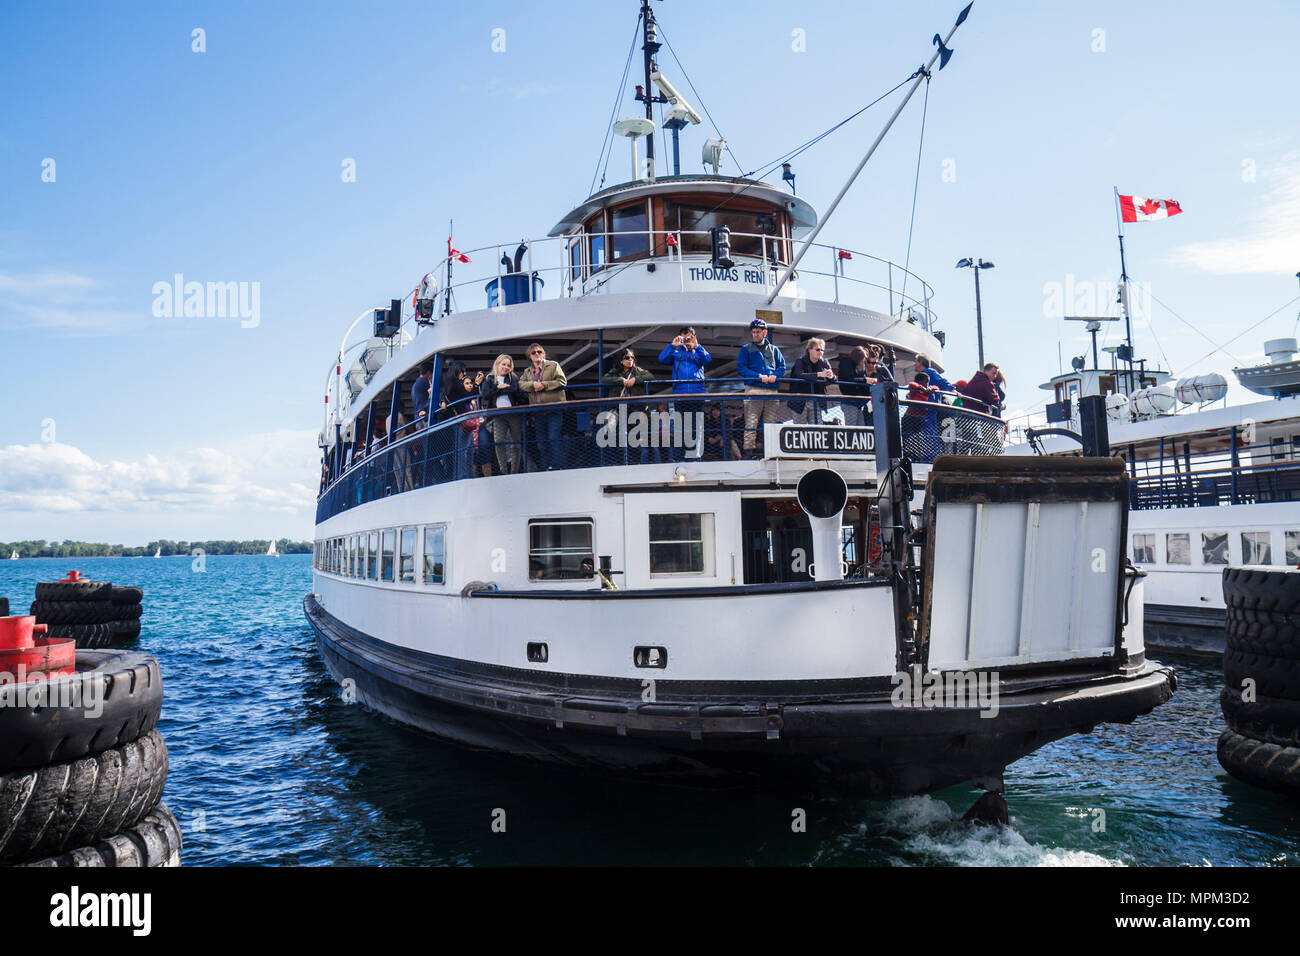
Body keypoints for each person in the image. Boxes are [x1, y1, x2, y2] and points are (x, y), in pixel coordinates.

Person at [658, 328, 711, 460]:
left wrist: (697, 346)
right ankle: (680, 456)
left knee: (695, 427)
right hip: (680, 394)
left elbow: (708, 359)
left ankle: (694, 456)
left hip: (697, 395)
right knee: (680, 427)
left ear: (694, 337)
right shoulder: (676, 352)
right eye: (684, 339)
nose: (686, 341)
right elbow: (662, 359)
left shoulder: (698, 352)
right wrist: (672, 345)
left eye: (689, 338)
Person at [737, 318, 787, 458]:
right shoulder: (746, 349)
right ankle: (748, 453)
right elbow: (741, 368)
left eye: (758, 332)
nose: (755, 335)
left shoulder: (774, 350)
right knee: (751, 422)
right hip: (754, 389)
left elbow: (782, 367)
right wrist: (759, 376)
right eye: (753, 332)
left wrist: (775, 376)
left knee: (770, 423)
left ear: (764, 332)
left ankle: (769, 452)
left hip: (771, 390)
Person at [518, 343, 567, 470]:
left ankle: (559, 466)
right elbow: (521, 384)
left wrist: (544, 385)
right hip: (538, 412)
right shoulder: (528, 371)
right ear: (529, 356)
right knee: (542, 442)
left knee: (553, 438)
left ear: (543, 353)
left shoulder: (553, 365)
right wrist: (533, 385)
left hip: (553, 409)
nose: (537, 354)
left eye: (539, 351)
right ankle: (547, 466)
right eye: (533, 352)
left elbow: (562, 381)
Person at [601, 349, 654, 464]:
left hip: (634, 409)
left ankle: (638, 463)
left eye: (631, 358)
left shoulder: (637, 371)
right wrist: (620, 380)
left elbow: (650, 376)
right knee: (610, 433)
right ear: (621, 360)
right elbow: (604, 379)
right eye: (627, 358)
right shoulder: (615, 372)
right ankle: (613, 462)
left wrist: (635, 379)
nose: (630, 360)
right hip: (618, 409)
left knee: (636, 437)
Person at [481, 354, 527, 474]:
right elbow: (485, 395)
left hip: (513, 413)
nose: (506, 367)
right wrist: (498, 388)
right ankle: (503, 470)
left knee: (515, 443)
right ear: (497, 364)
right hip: (498, 414)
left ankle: (514, 470)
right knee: (499, 441)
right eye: (504, 364)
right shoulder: (489, 378)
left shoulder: (513, 377)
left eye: (508, 365)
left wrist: (498, 390)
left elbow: (514, 390)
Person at [790, 337, 836, 424]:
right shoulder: (800, 361)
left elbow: (834, 378)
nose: (820, 352)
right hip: (799, 401)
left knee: (817, 428)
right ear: (809, 350)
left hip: (816, 400)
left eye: (822, 350)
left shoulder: (824, 362)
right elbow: (799, 375)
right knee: (800, 429)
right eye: (818, 349)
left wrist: (831, 376)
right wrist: (819, 374)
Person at [902, 370, 940, 461]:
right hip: (909, 419)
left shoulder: (927, 391)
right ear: (920, 381)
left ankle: (916, 459)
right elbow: (912, 384)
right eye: (926, 382)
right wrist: (921, 388)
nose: (927, 384)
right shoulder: (914, 390)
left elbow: (936, 388)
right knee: (907, 441)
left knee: (917, 442)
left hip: (919, 420)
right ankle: (907, 458)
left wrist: (930, 389)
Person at [837, 346, 874, 427]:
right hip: (849, 401)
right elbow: (847, 379)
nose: (863, 362)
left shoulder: (860, 367)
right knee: (852, 428)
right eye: (862, 359)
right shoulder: (845, 362)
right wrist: (865, 380)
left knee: (861, 428)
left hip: (858, 403)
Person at [412, 362, 433, 427]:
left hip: (418, 418)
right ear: (428, 372)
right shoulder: (424, 382)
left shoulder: (415, 383)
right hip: (424, 418)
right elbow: (433, 393)